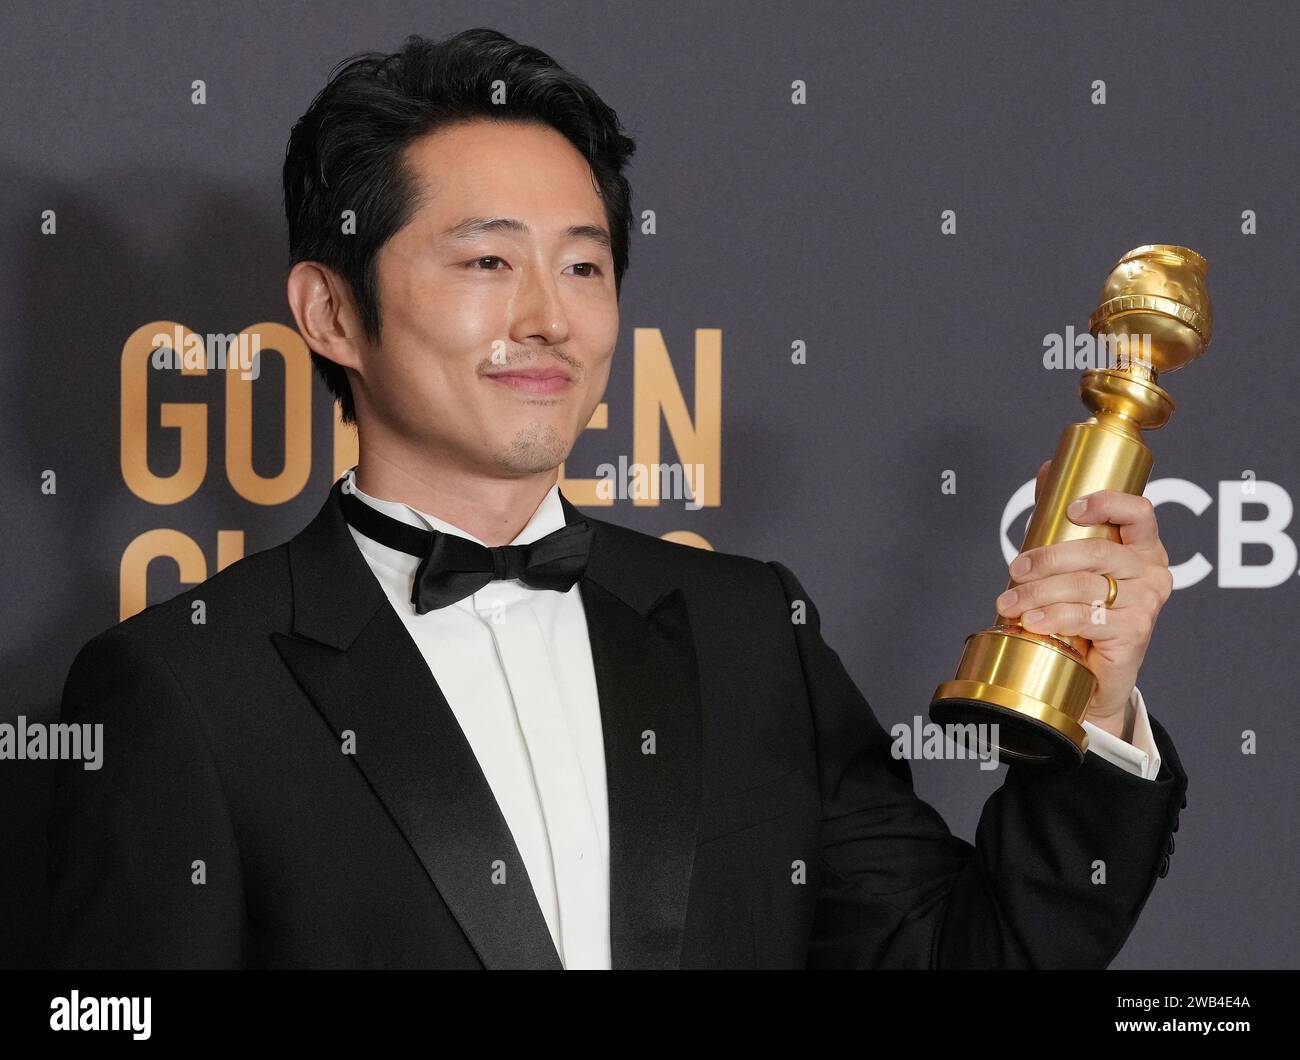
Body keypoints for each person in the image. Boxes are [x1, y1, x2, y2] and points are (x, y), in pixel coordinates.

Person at [45, 27, 1186, 970]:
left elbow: (967, 959)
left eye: (583, 266)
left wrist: (1098, 704)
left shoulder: (749, 633)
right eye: (488, 262)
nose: (549, 316)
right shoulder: (188, 683)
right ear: (333, 313)